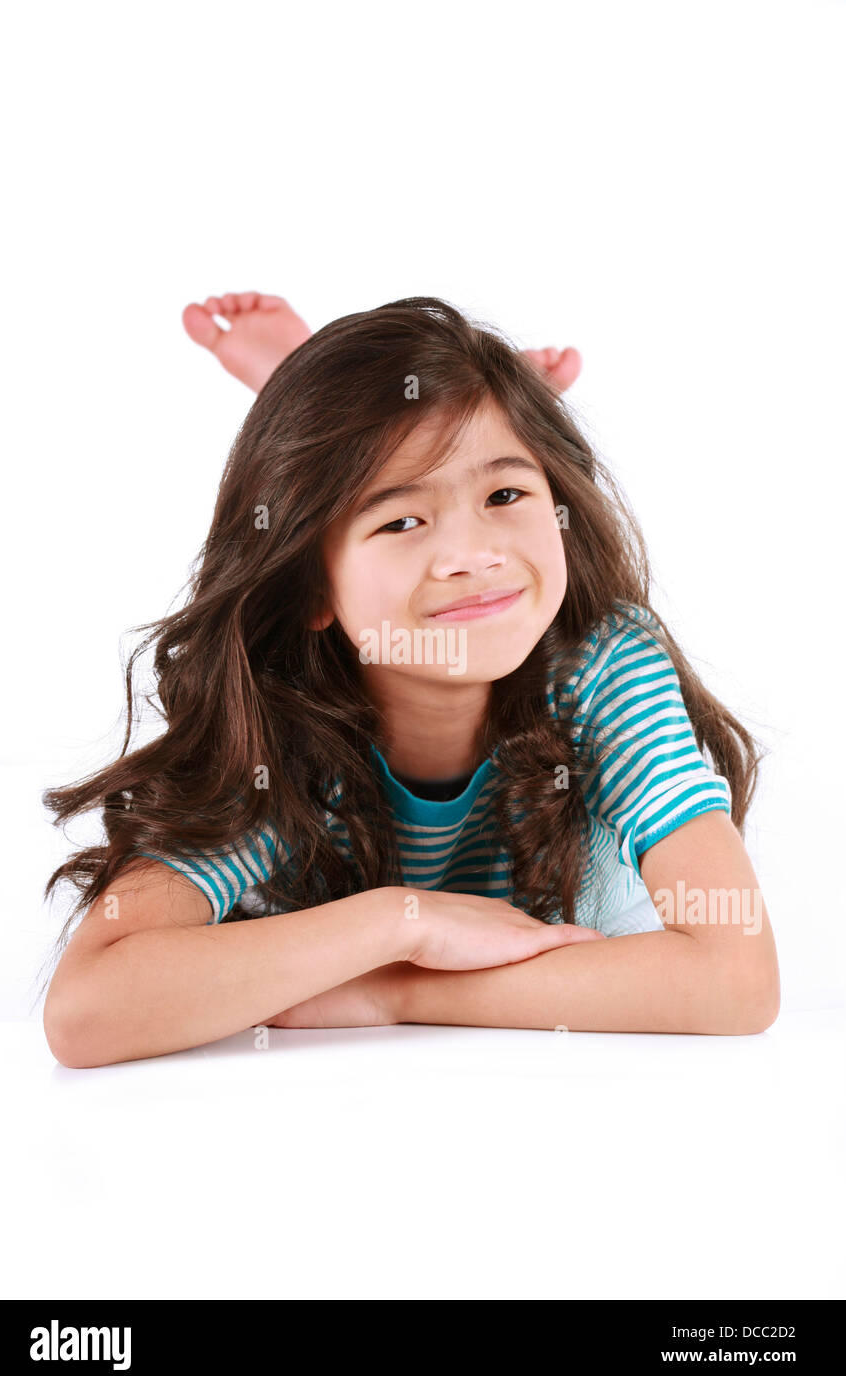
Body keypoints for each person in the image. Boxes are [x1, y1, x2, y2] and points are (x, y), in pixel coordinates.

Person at [38, 293, 779, 1066]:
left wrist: (396, 991)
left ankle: (355, 417)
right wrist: (405, 921)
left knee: (410, 443)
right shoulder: (280, 718)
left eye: (505, 494)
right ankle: (325, 399)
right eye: (399, 520)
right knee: (387, 448)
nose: (474, 553)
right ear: (314, 591)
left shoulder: (603, 665)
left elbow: (738, 978)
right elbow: (87, 1010)